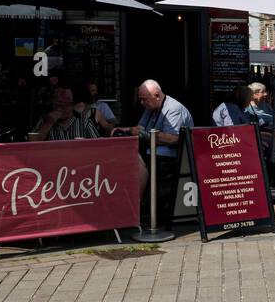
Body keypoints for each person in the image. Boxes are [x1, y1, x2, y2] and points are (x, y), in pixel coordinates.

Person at [113, 80, 194, 228]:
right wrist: (124, 129)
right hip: (154, 151)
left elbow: (173, 138)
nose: (142, 103)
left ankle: (134, 210)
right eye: (141, 99)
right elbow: (140, 128)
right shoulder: (151, 106)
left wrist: (144, 134)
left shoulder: (173, 109)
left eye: (145, 99)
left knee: (137, 160)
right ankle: (126, 205)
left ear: (157, 95)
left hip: (174, 155)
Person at [33, 86, 98, 141]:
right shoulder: (45, 119)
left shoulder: (83, 121)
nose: (60, 109)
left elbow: (98, 145)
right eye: (58, 105)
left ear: (73, 105)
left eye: (65, 105)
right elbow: (33, 144)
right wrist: (49, 123)